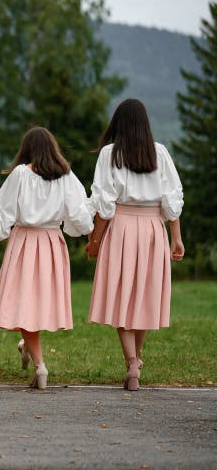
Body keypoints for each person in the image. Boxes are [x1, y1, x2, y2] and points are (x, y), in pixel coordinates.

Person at [0, 126, 93, 389]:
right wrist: (91, 241)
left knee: (24, 301)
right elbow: (80, 216)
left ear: (26, 150)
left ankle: (40, 366)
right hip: (52, 242)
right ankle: (26, 345)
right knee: (36, 302)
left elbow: (1, 213)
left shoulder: (20, 174)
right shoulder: (66, 176)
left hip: (26, 242)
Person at [86, 98, 184, 391]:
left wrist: (94, 241)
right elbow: (172, 199)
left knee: (121, 295)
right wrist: (176, 237)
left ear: (118, 123)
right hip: (154, 229)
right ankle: (137, 358)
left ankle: (131, 361)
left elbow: (104, 205)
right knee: (144, 295)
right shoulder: (160, 153)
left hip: (122, 228)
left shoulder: (109, 154)